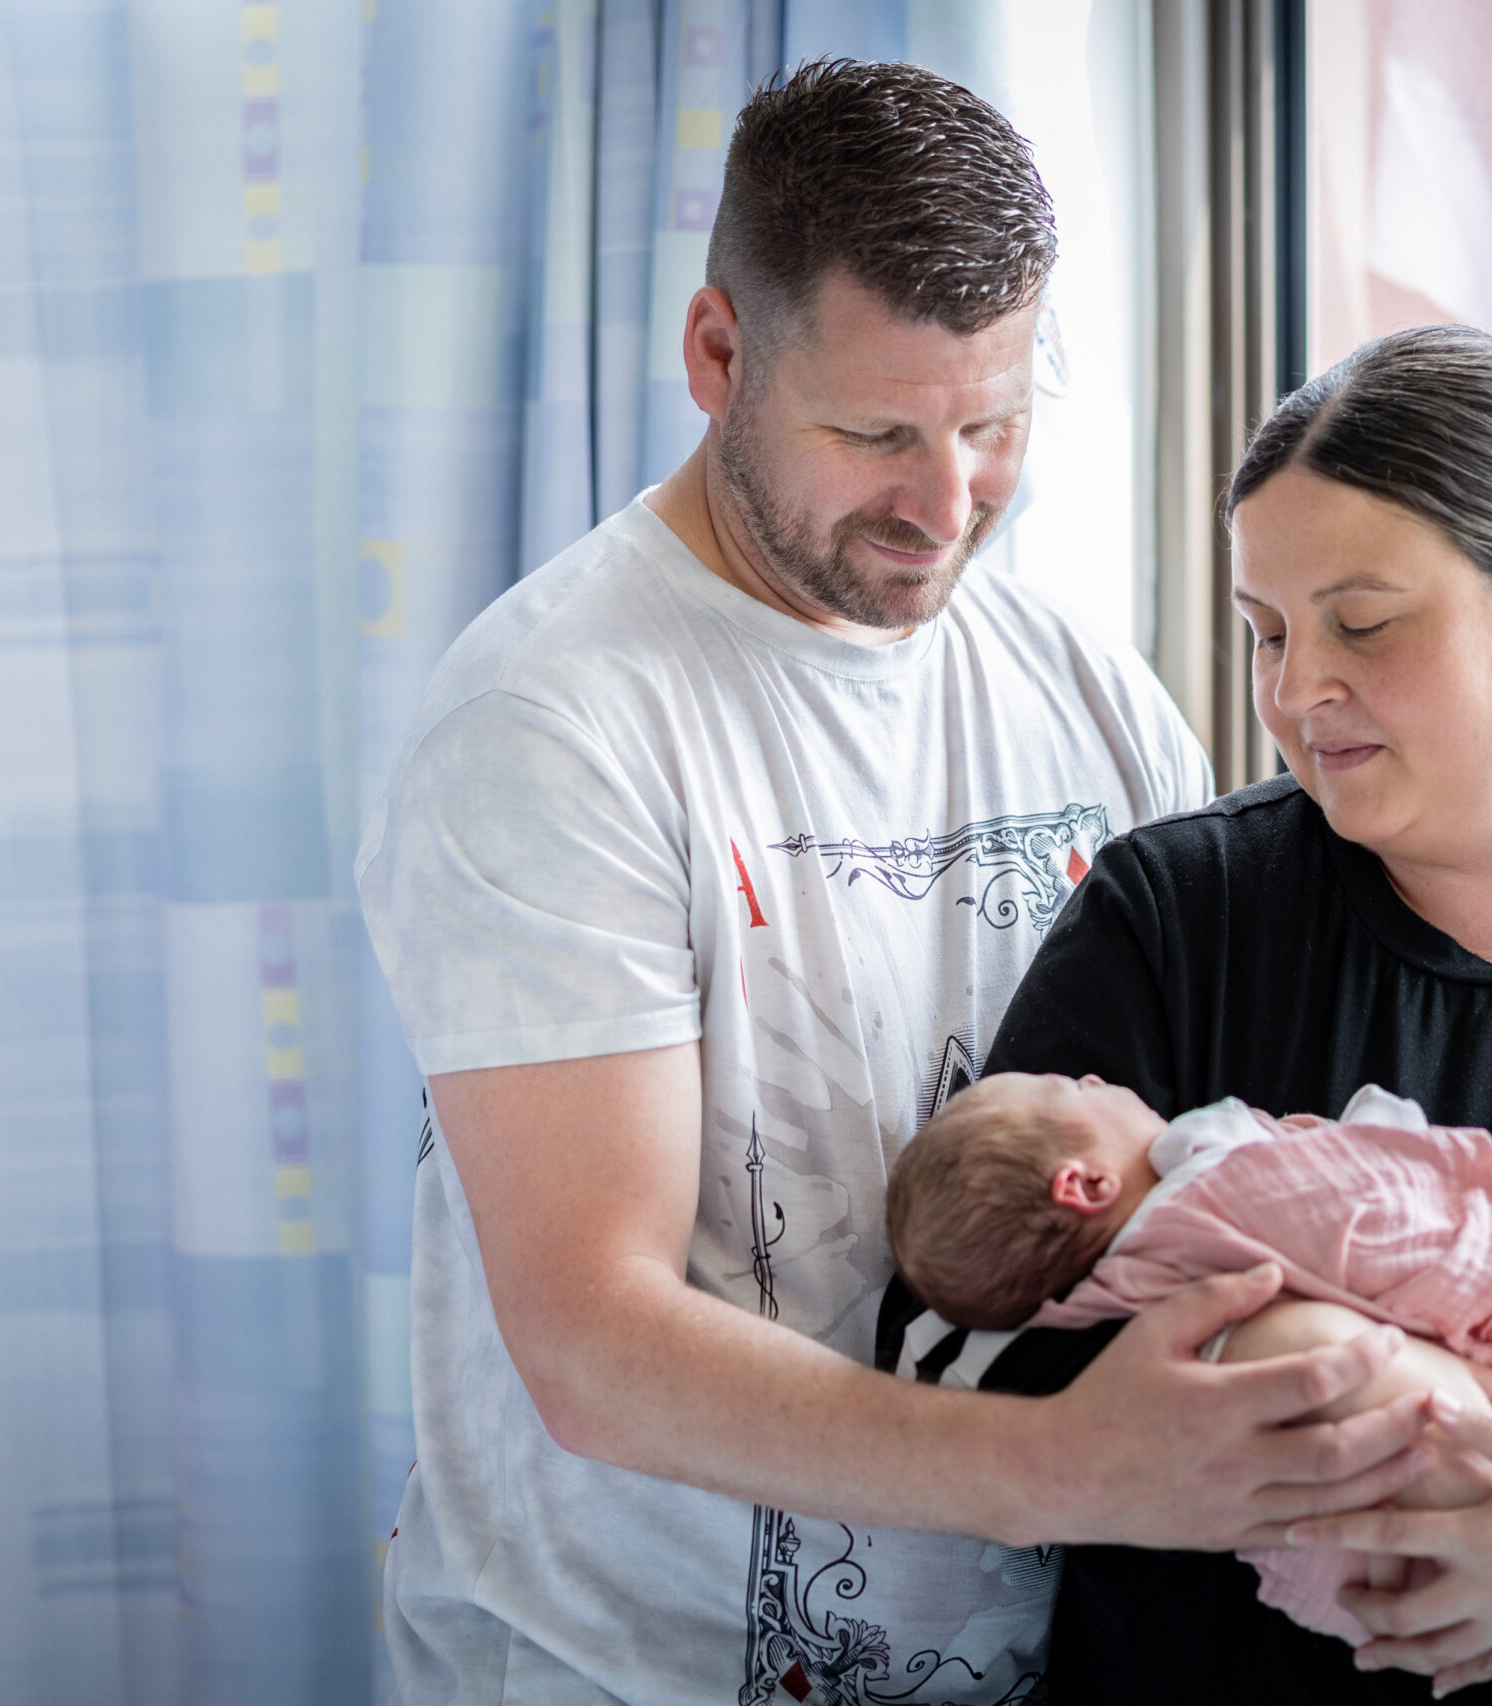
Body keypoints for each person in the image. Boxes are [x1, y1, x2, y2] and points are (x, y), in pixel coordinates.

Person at [355, 59, 1429, 1706]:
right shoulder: (551, 728)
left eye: (993, 428)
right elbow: (594, 1348)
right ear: (718, 355)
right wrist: (1078, 1469)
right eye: (875, 435)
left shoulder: (1084, 688)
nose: (946, 507)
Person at [921, 323, 1492, 1701]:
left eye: (1363, 623)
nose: (1298, 691)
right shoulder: (1176, 918)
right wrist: (1277, 1373)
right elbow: (947, 1337)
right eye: (1267, 632)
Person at [885, 1073, 1492, 1706]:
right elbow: (1362, 1200)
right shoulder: (1206, 1168)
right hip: (1401, 1466)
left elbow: (943, 1360)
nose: (1091, 1077)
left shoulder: (1081, 1307)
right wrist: (1378, 1124)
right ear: (1084, 1182)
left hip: (1324, 1562)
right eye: (1068, 1088)